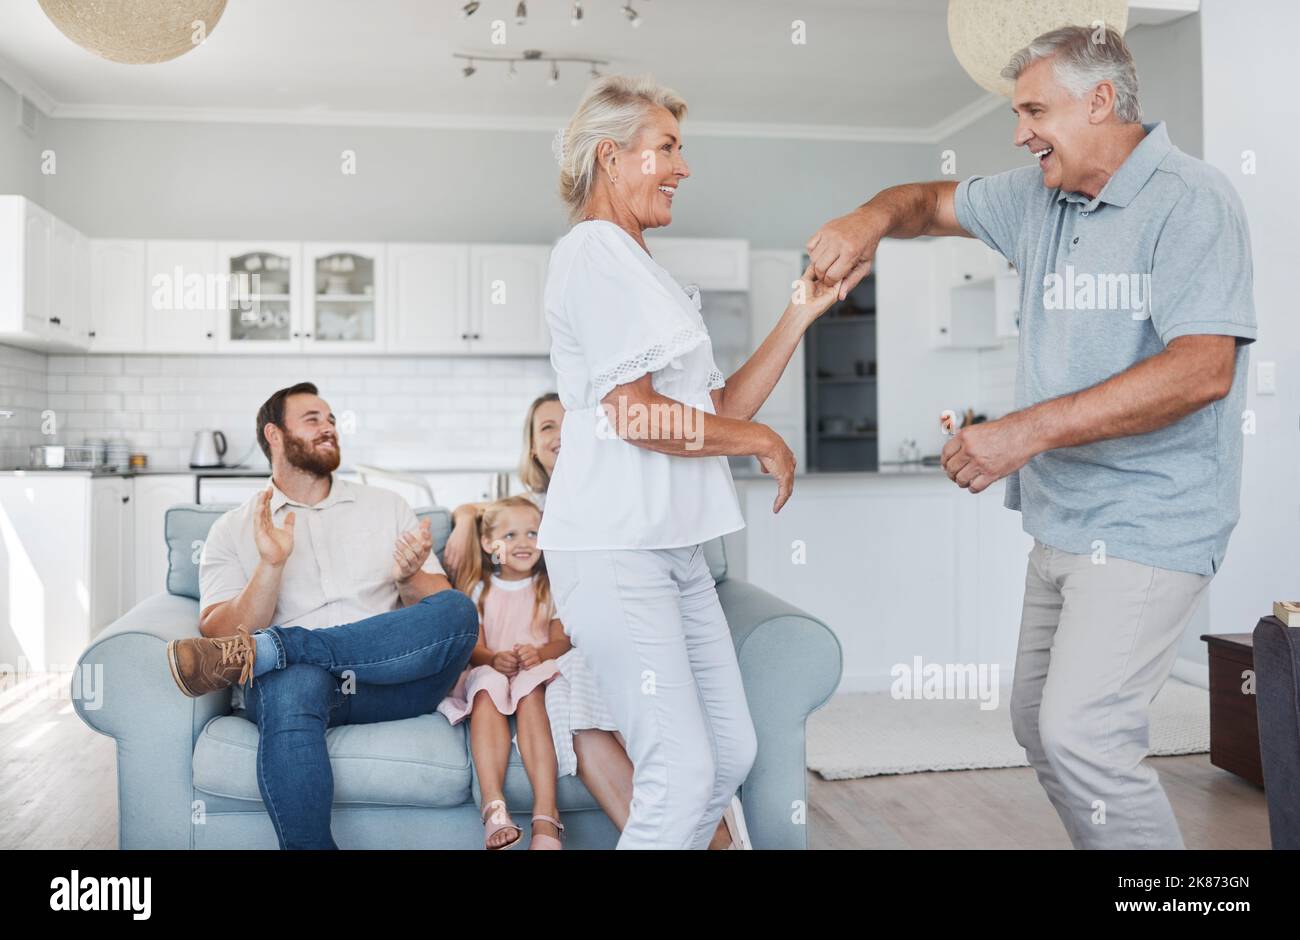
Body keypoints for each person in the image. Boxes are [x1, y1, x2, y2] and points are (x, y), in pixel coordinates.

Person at [806, 26, 1256, 849]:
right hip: (1061, 523)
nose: (1020, 133)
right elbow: (925, 202)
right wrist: (869, 219)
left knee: (1083, 732)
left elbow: (1202, 370)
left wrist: (1023, 433)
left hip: (1151, 523)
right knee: (1037, 724)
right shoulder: (1036, 197)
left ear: (1101, 100)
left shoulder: (1193, 201)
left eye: (1033, 110)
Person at [539, 74, 838, 849]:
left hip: (670, 549)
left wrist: (800, 310)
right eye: (667, 147)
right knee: (679, 765)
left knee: (728, 752)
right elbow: (634, 415)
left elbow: (716, 416)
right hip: (614, 546)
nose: (683, 166)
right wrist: (764, 445)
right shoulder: (593, 252)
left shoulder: (638, 263)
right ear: (613, 157)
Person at [165, 382, 479, 850]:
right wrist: (270, 565)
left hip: (392, 682)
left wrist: (409, 577)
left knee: (458, 609)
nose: (329, 428)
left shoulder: (387, 506)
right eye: (313, 419)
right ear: (274, 435)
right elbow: (219, 635)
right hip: (301, 688)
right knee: (291, 681)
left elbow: (436, 619)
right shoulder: (233, 528)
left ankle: (280, 647)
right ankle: (281, 654)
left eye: (331, 419)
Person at [446, 392, 747, 848]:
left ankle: (712, 834)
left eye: (570, 423)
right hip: (570, 646)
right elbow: (491, 526)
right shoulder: (527, 509)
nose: (561, 434)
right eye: (546, 427)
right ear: (531, 447)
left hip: (615, 628)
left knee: (630, 695)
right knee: (575, 697)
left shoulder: (617, 491)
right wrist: (466, 515)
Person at [437, 496, 570, 850]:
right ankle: (494, 806)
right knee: (487, 687)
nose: (524, 543)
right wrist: (492, 659)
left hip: (533, 671)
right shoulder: (479, 589)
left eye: (532, 533)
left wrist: (539, 652)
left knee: (532, 687)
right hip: (489, 668)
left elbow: (562, 642)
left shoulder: (549, 587)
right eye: (510, 536)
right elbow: (473, 648)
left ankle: (546, 813)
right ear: (487, 544)